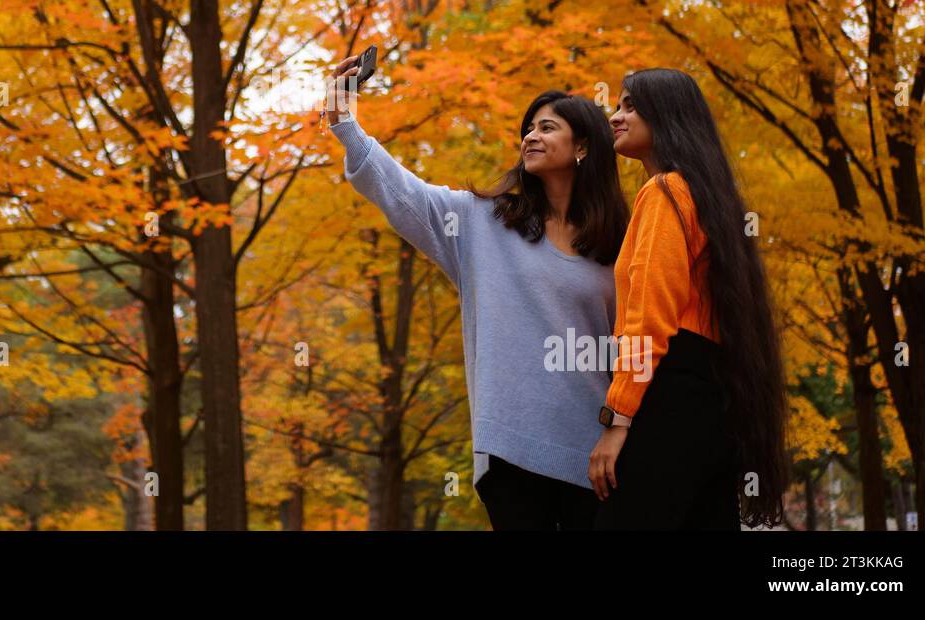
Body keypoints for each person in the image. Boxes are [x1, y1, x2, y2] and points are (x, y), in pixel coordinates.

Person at [324, 54, 626, 529]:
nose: (530, 136)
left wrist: (621, 430)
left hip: (598, 454)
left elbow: (635, 347)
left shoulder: (619, 243)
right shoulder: (481, 222)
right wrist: (345, 122)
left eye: (547, 128)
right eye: (528, 128)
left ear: (583, 145)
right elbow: (403, 195)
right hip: (510, 449)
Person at [590, 68, 788, 529]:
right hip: (712, 397)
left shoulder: (663, 192)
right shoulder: (709, 198)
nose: (615, 117)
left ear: (667, 116)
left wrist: (617, 419)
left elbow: (649, 317)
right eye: (618, 105)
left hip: (668, 392)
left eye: (630, 106)